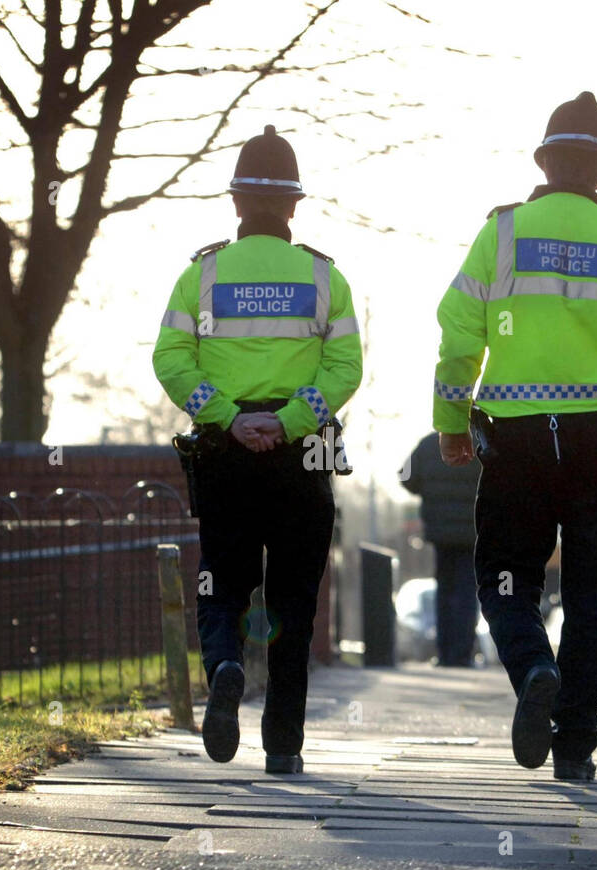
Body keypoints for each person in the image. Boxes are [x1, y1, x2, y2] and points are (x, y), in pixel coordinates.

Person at [433, 92, 597, 780]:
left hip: (517, 442)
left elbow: (460, 333)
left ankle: (532, 670)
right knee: (595, 595)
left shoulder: (502, 233)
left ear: (546, 162)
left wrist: (452, 420)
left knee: (504, 578)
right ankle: (576, 744)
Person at [153, 125, 362, 774]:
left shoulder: (203, 274)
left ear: (238, 202)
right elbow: (347, 367)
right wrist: (295, 421)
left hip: (226, 455)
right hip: (302, 459)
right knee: (295, 603)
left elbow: (169, 358)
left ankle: (226, 665)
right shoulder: (326, 278)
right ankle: (284, 747)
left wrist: (227, 417)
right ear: (294, 205)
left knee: (221, 583)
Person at [402, 432, 481, 666]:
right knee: (467, 590)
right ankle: (462, 654)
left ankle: (445, 653)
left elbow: (406, 477)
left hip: (440, 530)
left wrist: (428, 490)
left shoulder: (428, 444)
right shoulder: (480, 441)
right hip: (473, 530)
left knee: (444, 589)